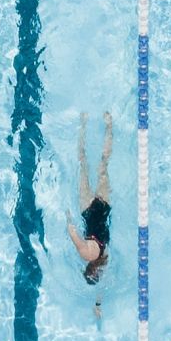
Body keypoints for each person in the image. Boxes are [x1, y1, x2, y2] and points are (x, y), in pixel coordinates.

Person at [66, 113, 113, 287]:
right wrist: (68, 217)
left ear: (94, 271)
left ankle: (108, 126)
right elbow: (71, 232)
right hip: (88, 209)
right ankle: (84, 123)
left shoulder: (103, 257)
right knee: (83, 162)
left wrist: (98, 303)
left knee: (102, 163)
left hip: (103, 207)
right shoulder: (89, 256)